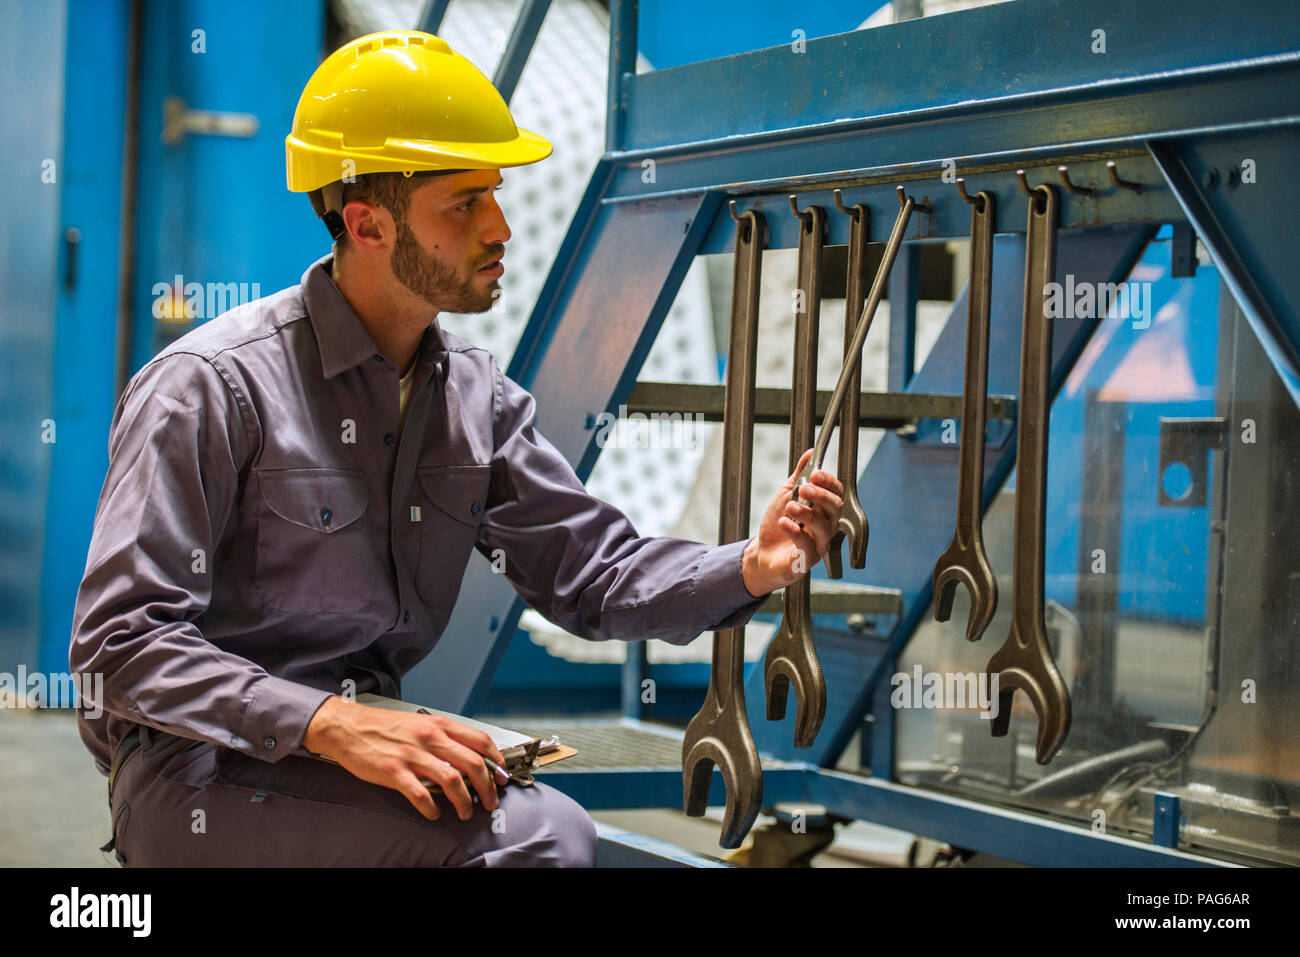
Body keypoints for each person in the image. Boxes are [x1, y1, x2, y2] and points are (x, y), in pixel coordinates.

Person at [69, 29, 845, 867]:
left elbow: (595, 575)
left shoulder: (474, 399)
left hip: (361, 752)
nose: (501, 226)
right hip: (200, 773)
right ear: (366, 224)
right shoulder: (210, 386)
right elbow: (119, 647)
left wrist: (753, 565)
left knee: (524, 817)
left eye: (497, 195)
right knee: (542, 837)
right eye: (464, 203)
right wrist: (327, 723)